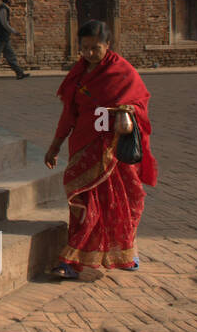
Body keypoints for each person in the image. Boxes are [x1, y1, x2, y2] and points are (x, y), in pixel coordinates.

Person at [43, 20, 158, 278]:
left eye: (95, 48)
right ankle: (74, 260)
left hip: (112, 149)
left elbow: (140, 103)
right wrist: (54, 146)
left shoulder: (123, 72)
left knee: (124, 200)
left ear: (108, 45)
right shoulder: (78, 73)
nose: (89, 53)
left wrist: (127, 111)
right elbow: (68, 114)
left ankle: (119, 252)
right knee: (84, 202)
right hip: (84, 144)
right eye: (84, 48)